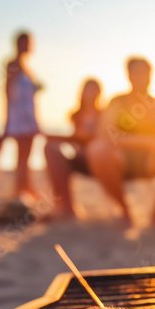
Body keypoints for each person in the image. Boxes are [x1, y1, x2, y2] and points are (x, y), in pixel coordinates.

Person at [87, 58, 155, 228]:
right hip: (120, 158)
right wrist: (148, 142)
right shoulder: (117, 102)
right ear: (129, 76)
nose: (142, 77)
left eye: (145, 73)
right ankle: (124, 211)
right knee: (97, 150)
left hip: (150, 160)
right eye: (137, 73)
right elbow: (105, 134)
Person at [43, 78, 103, 220]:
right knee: (50, 148)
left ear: (99, 93)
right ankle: (65, 206)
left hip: (98, 157)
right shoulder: (76, 115)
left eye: (94, 90)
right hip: (80, 157)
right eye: (88, 90)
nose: (91, 94)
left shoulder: (104, 114)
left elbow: (104, 138)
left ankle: (65, 207)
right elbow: (75, 140)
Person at [3, 31, 42, 204]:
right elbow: (7, 93)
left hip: (29, 117)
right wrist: (7, 121)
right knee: (23, 157)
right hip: (20, 119)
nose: (30, 46)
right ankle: (20, 192)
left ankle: (24, 190)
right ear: (19, 44)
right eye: (27, 42)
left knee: (25, 157)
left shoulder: (26, 67)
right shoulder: (12, 65)